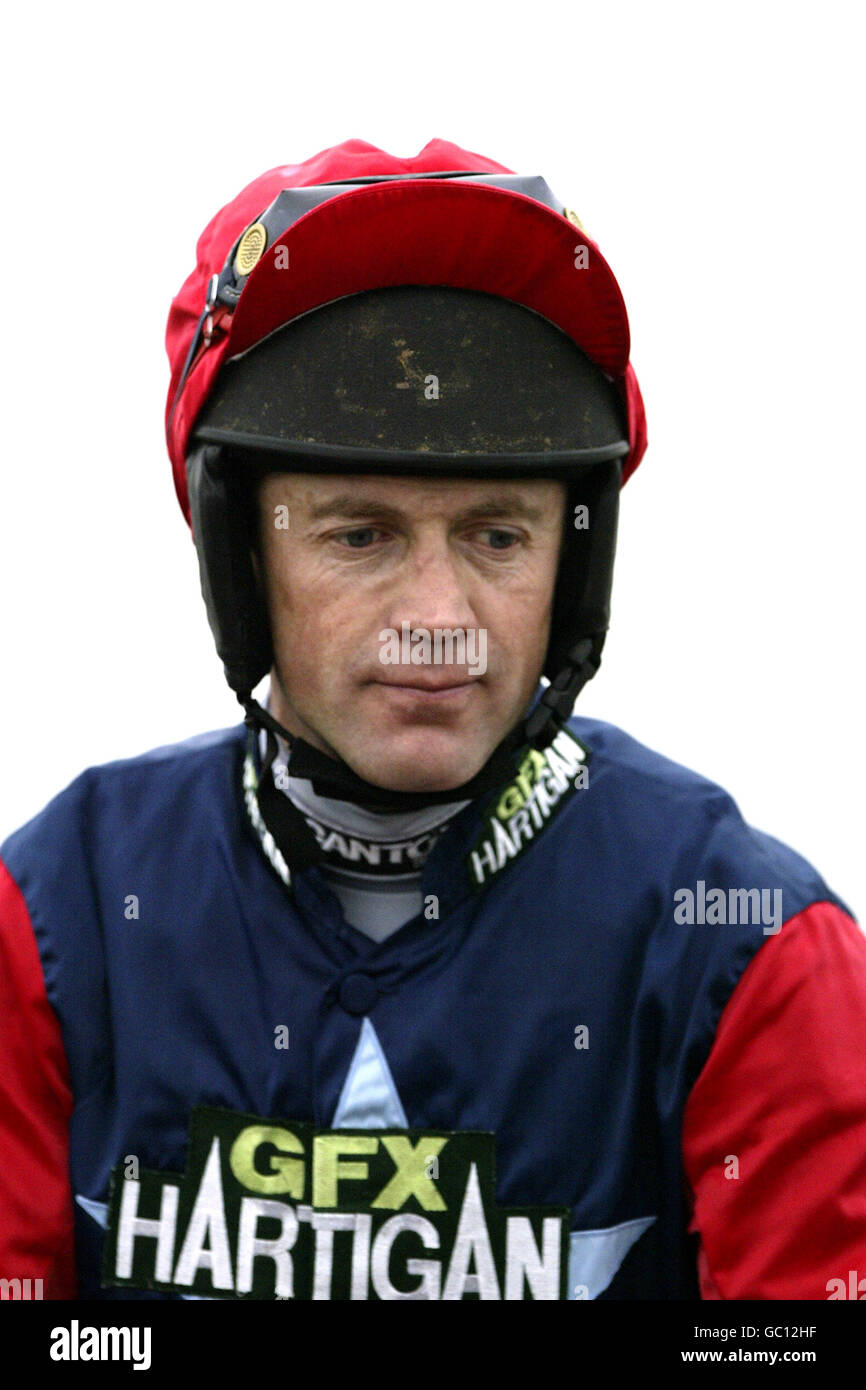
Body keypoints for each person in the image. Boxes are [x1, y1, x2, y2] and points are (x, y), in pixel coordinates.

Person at [1, 138, 863, 1303]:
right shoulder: (54, 925)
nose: (437, 621)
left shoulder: (752, 953)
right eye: (360, 536)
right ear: (240, 562)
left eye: (496, 536)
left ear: (575, 563)